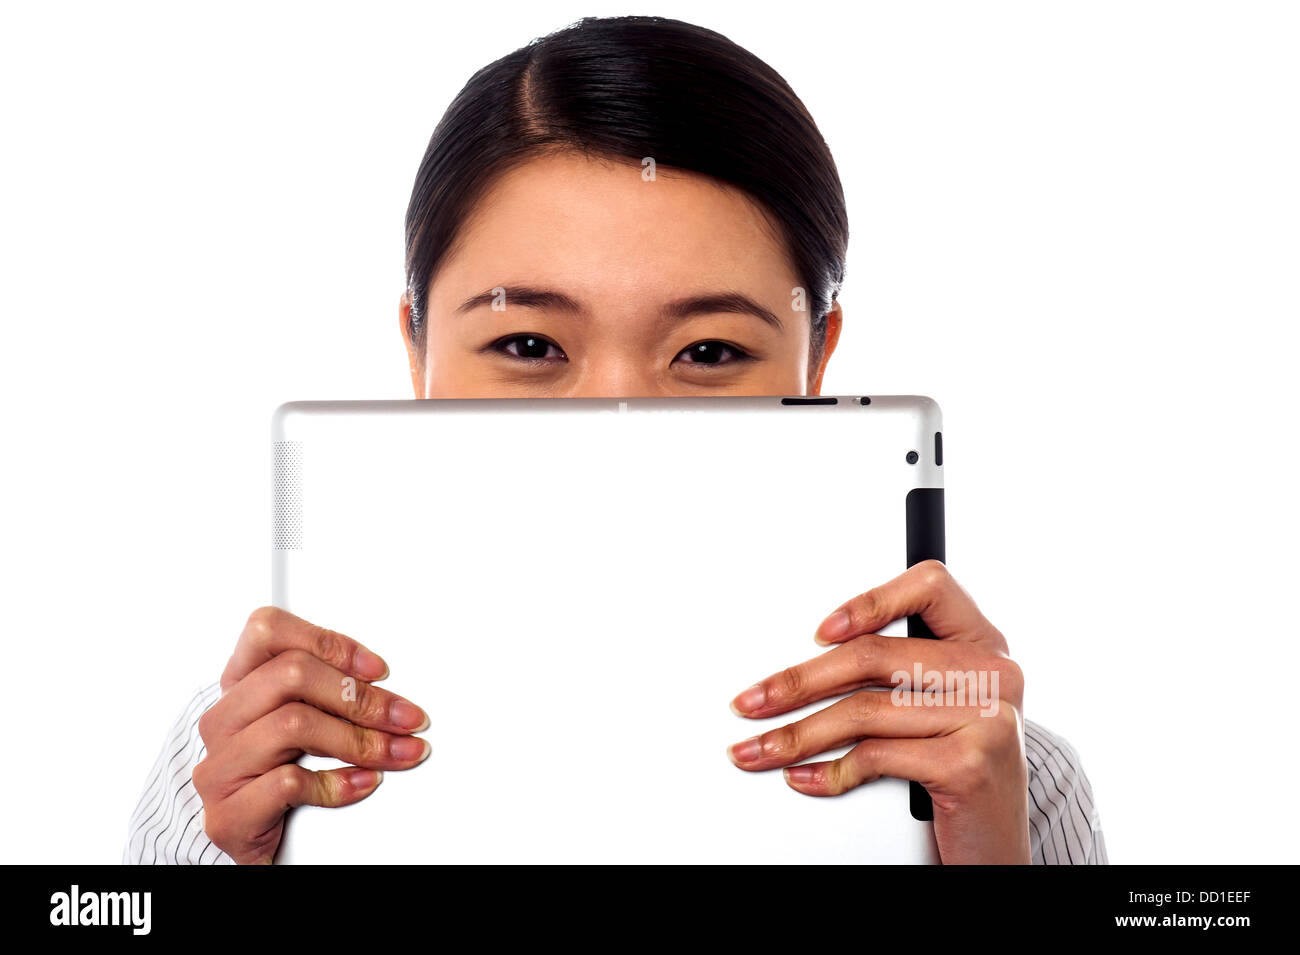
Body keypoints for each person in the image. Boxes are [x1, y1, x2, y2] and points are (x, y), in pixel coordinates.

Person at [124, 15, 1105, 865]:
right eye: (526, 342)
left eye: (710, 349)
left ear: (815, 365)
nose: (615, 417)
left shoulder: (995, 769)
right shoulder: (246, 753)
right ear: (416, 353)